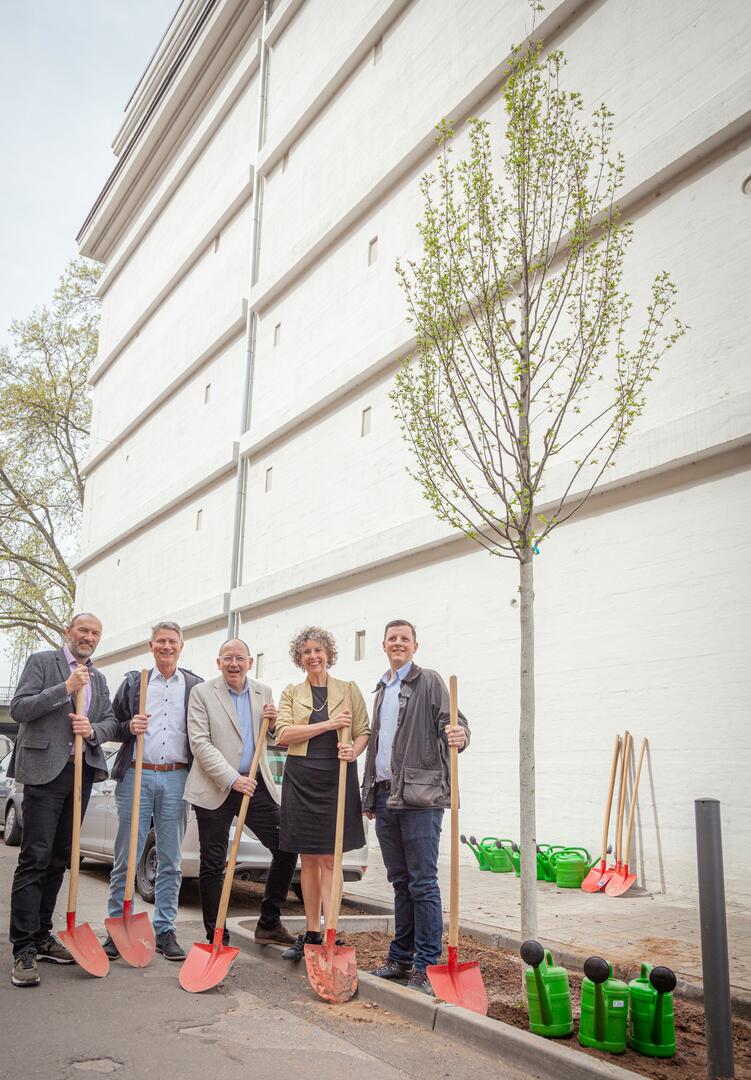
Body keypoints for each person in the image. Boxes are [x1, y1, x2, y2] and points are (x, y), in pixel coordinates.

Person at [8, 613, 119, 987]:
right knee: (35, 858)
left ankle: (41, 935)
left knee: (59, 860)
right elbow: (21, 708)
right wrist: (65, 688)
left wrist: (92, 731)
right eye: (83, 631)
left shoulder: (100, 679)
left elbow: (110, 723)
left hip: (82, 773)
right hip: (44, 772)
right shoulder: (43, 662)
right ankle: (22, 947)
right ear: (68, 633)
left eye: (95, 633)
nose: (88, 637)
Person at [361, 619, 470, 994]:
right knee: (400, 882)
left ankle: (426, 964)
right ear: (384, 644)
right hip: (386, 795)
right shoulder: (381, 689)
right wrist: (369, 793)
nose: (398, 643)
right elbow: (376, 746)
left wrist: (460, 734)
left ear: (414, 646)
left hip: (421, 797)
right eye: (392, 638)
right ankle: (400, 957)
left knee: (422, 883)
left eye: (404, 639)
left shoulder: (430, 681)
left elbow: (454, 724)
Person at [184, 638, 296, 947]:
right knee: (213, 863)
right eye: (228, 658)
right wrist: (233, 778)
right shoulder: (202, 693)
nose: (234, 664)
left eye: (240, 658)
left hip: (255, 786)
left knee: (286, 846)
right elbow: (200, 743)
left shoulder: (264, 693)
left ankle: (269, 923)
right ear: (218, 663)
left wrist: (272, 725)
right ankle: (215, 935)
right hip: (215, 787)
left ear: (250, 662)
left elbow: (271, 739)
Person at [102, 621, 203, 961]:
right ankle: (117, 927)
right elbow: (111, 724)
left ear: (181, 646)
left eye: (172, 641)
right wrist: (129, 726)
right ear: (151, 645)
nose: (166, 646)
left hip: (176, 777)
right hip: (136, 774)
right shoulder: (134, 682)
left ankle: (164, 929)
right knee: (125, 857)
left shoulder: (194, 686)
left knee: (171, 859)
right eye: (160, 641)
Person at [275, 626, 370, 961]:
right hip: (301, 776)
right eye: (306, 652)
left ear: (328, 653)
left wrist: (354, 751)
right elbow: (284, 733)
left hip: (337, 776)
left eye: (318, 650)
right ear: (300, 659)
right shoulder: (291, 692)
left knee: (332, 859)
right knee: (309, 860)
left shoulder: (348, 690)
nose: (313, 656)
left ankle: (331, 932)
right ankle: (311, 932)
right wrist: (328, 725)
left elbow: (362, 731)